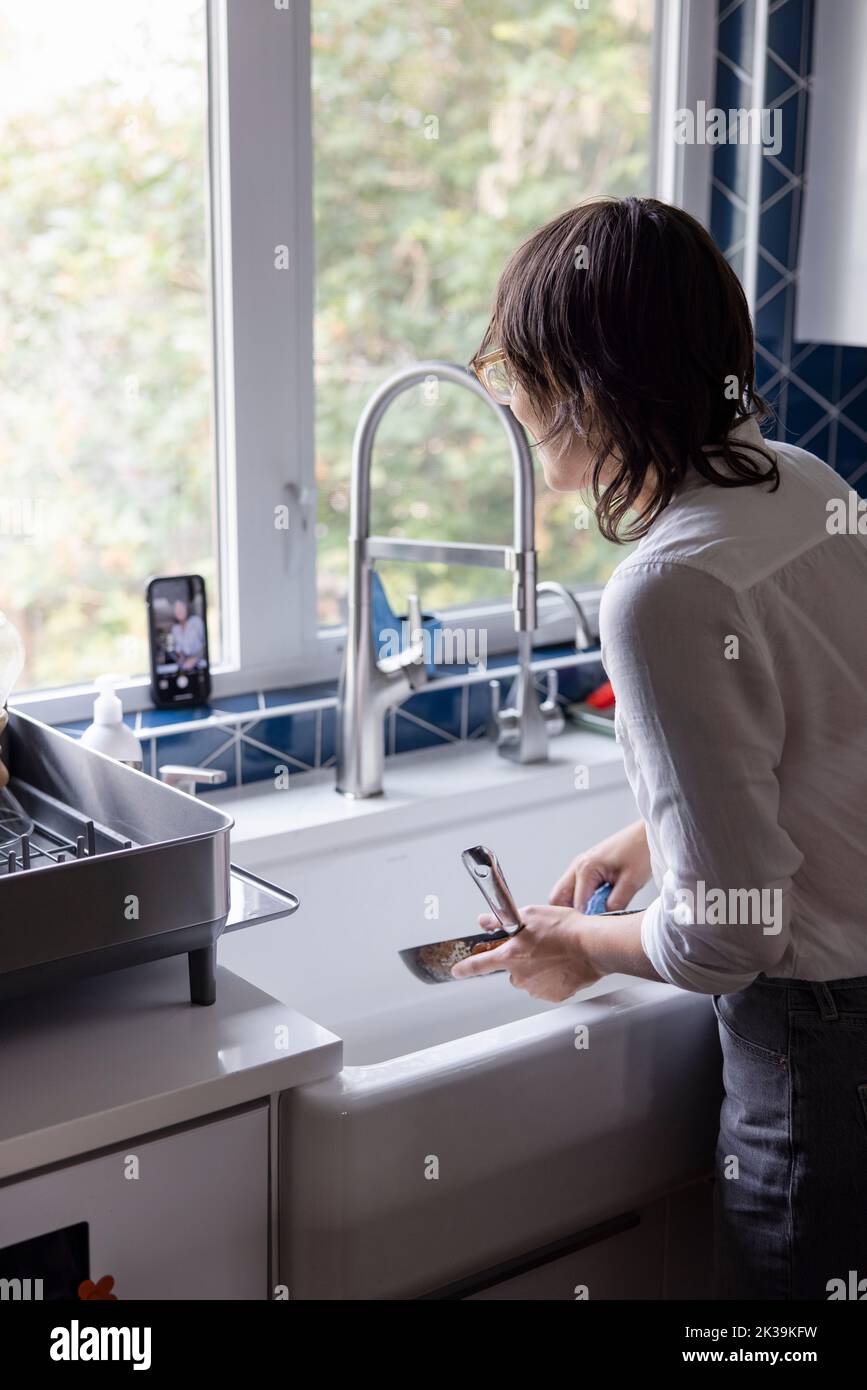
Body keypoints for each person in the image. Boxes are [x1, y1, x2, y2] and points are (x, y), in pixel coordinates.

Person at [456, 196, 867, 1300]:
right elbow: (833, 734)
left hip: (820, 1050)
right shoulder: (806, 482)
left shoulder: (660, 587)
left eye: (525, 373)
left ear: (592, 388)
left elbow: (730, 939)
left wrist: (581, 941)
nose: (519, 404)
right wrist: (652, 832)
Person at [170, 599, 205, 671]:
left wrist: (194, 659)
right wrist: (181, 658)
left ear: (186, 608)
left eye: (181, 608)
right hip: (185, 665)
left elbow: (205, 643)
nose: (179, 611)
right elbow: (180, 650)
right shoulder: (175, 629)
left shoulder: (196, 621)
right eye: (176, 609)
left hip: (200, 662)